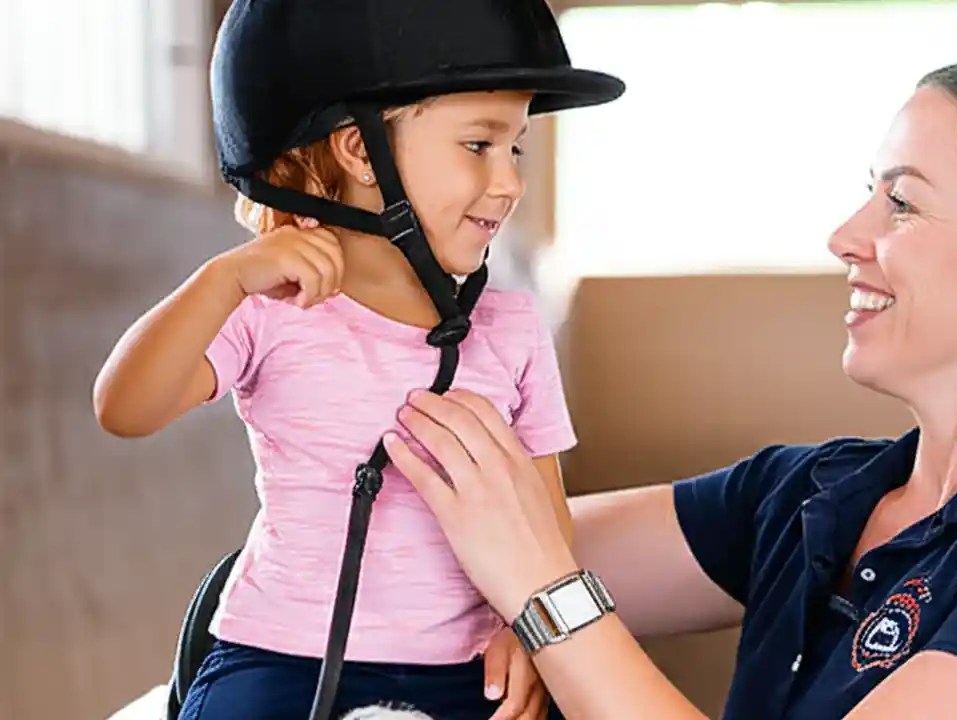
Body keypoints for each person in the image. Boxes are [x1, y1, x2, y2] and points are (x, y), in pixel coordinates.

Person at [383, 46, 957, 720]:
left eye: (903, 203)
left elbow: (531, 565)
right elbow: (435, 554)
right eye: (869, 194)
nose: (846, 235)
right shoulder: (810, 494)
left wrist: (549, 605)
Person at [91, 1, 622, 718]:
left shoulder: (512, 329)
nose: (509, 183)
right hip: (281, 658)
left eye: (515, 149)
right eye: (478, 145)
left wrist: (532, 629)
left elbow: (543, 511)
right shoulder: (270, 308)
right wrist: (223, 281)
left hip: (467, 666)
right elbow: (124, 408)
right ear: (360, 153)